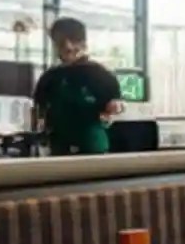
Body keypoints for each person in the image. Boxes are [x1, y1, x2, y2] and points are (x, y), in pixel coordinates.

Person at [32, 18, 122, 156]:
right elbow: (38, 110)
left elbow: (116, 103)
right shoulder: (49, 78)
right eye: (61, 42)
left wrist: (115, 107)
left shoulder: (100, 75)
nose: (68, 47)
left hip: (93, 148)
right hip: (58, 148)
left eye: (74, 40)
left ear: (84, 43)